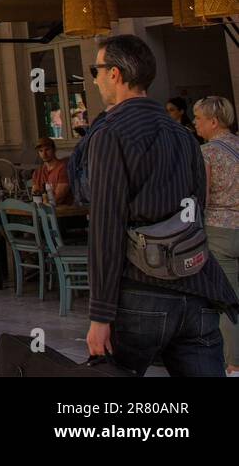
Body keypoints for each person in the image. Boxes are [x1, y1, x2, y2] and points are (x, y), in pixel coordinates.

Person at [85, 35, 237, 376]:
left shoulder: (110, 133)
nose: (94, 79)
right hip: (196, 289)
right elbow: (196, 210)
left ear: (115, 74)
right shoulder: (184, 135)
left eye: (96, 70)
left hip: (141, 291)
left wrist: (100, 315)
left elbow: (106, 225)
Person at [194, 96, 239, 375]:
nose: (195, 123)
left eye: (198, 118)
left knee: (229, 301)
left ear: (213, 121)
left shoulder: (207, 153)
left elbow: (203, 197)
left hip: (220, 232)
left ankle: (234, 364)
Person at [29, 137, 72, 205]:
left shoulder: (63, 168)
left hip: (63, 211)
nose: (44, 154)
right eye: (41, 151)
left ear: (54, 150)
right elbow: (36, 196)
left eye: (47, 149)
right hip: (44, 212)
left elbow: (58, 198)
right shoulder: (37, 172)